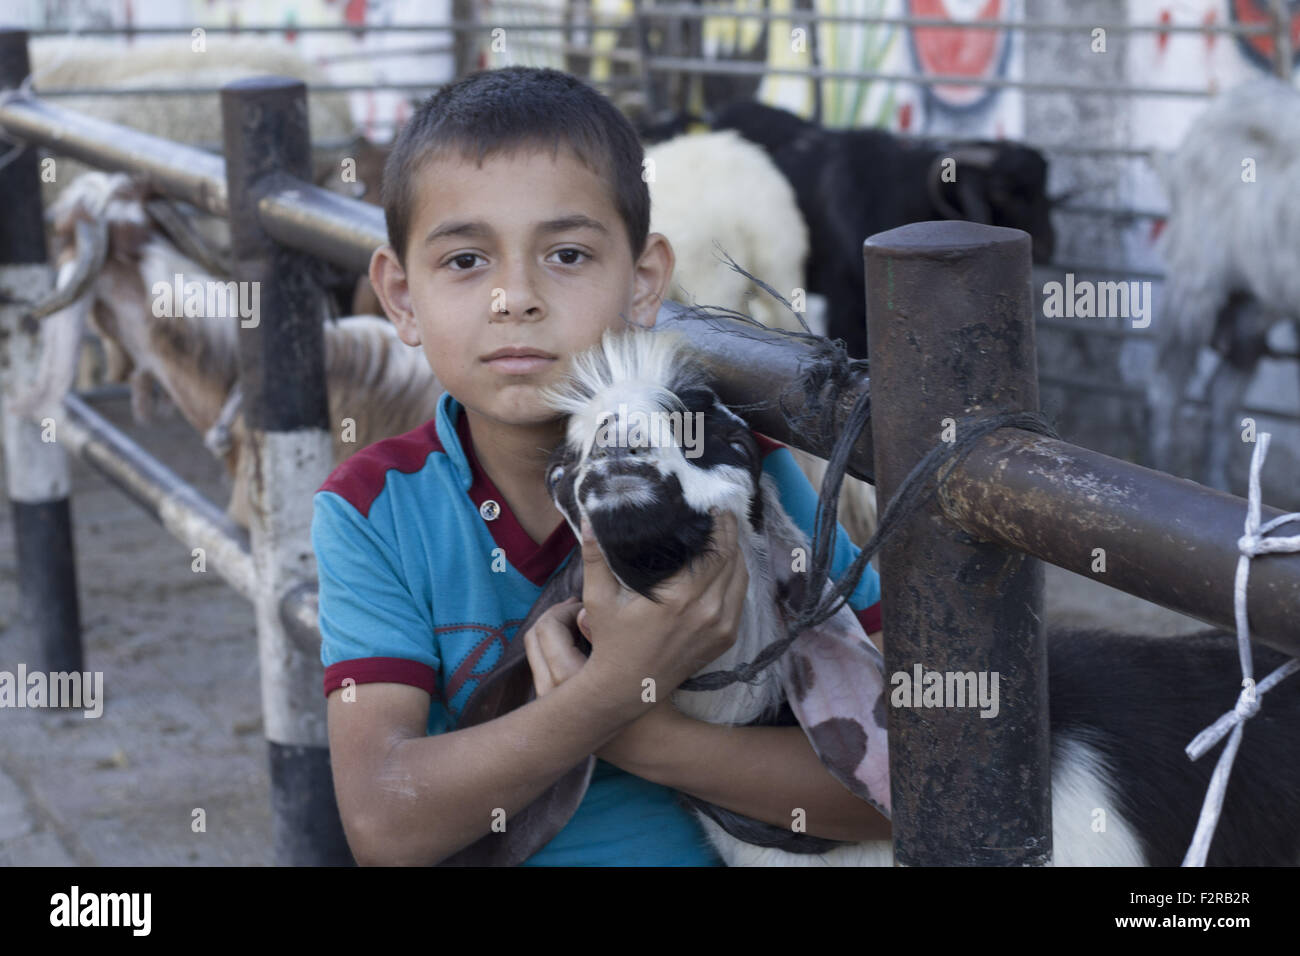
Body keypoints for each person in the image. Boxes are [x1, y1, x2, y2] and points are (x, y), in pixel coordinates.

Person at [311, 65, 887, 866]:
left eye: (569, 254)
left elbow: (902, 785)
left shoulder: (730, 465)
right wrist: (616, 691)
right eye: (466, 261)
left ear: (645, 281)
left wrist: (646, 735)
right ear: (401, 298)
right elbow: (384, 824)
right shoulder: (373, 509)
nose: (515, 297)